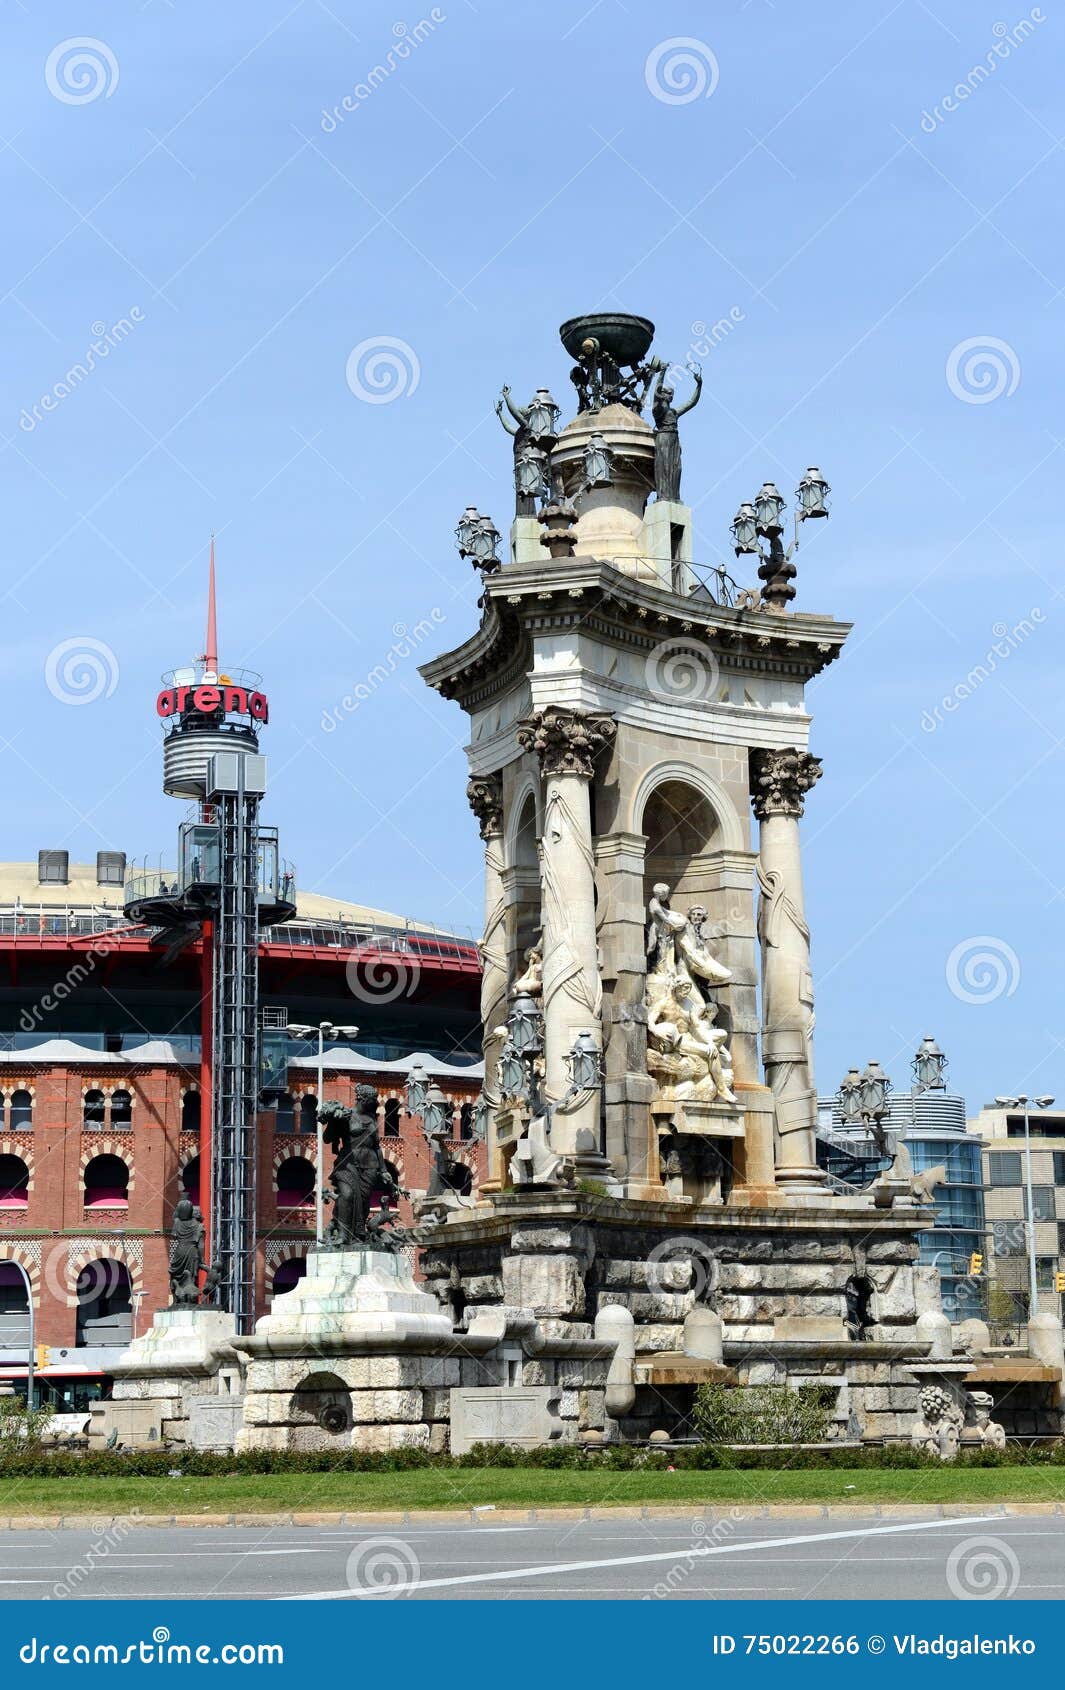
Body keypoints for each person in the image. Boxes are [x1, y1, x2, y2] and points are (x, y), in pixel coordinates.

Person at [651, 363, 702, 502]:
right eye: (667, 393)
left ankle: (674, 496)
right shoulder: (658, 410)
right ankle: (663, 496)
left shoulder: (674, 412)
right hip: (663, 439)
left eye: (671, 393)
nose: (670, 395)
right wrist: (662, 372)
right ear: (662, 395)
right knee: (664, 467)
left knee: (676, 468)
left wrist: (699, 385)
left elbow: (691, 402)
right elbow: (655, 391)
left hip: (674, 440)